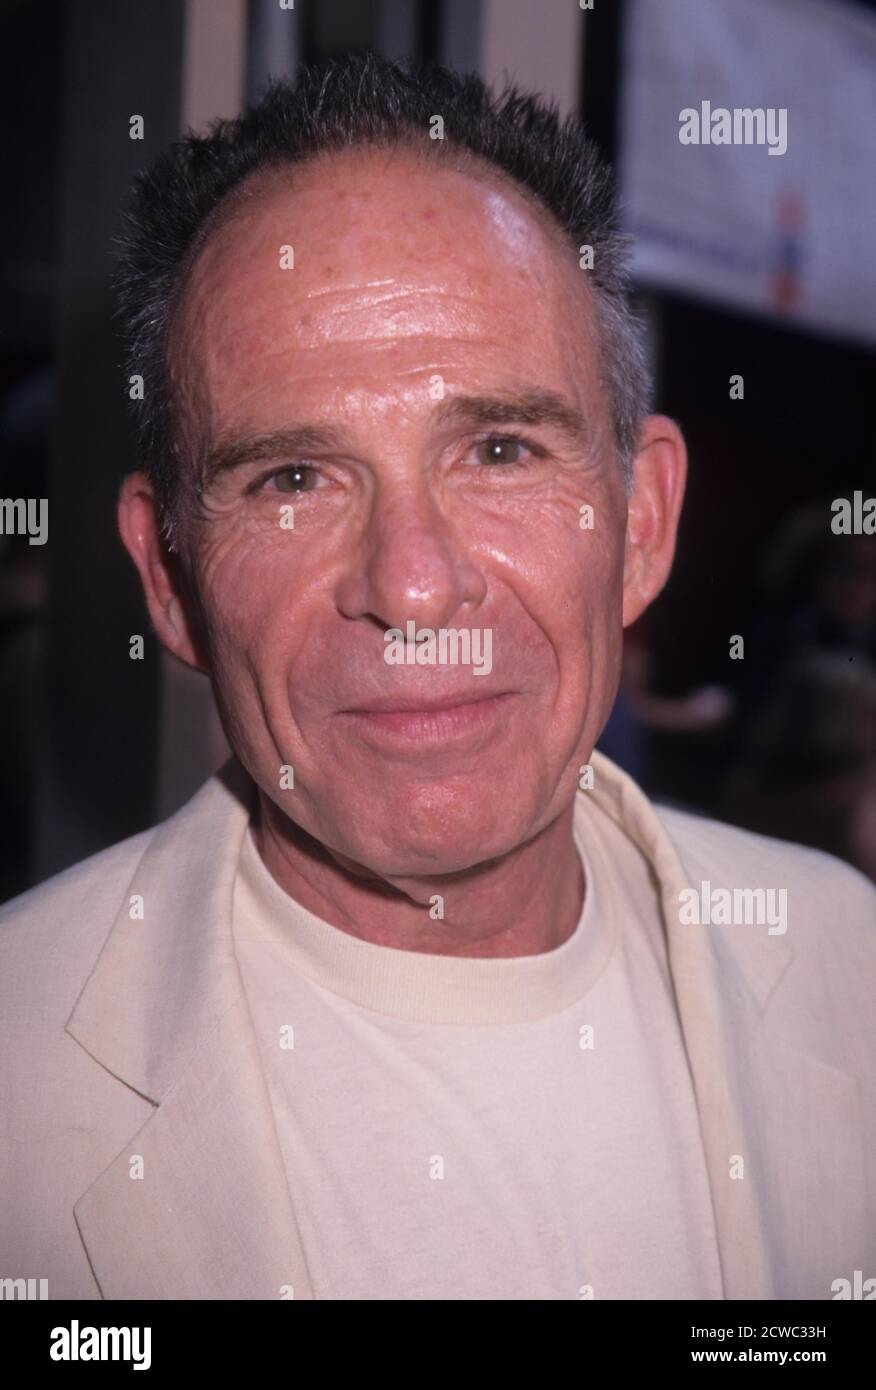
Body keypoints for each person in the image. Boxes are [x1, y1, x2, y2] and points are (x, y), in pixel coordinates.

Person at [1, 53, 874, 1302]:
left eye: (501, 448)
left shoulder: (850, 958)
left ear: (640, 527)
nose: (411, 587)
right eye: (292, 478)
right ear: (170, 582)